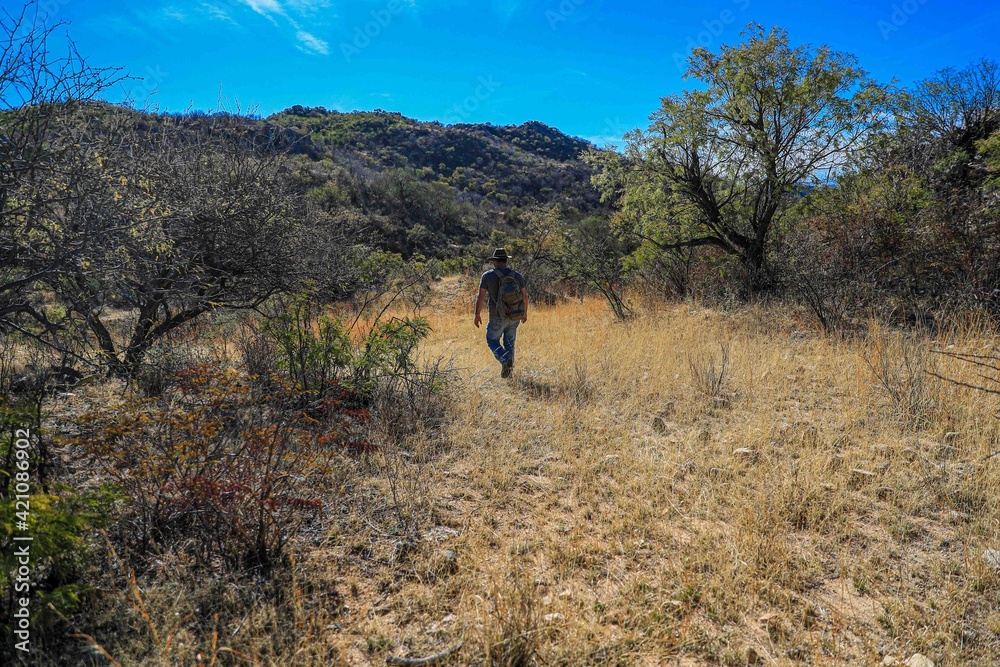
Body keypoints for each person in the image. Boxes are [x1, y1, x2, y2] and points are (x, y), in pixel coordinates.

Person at [474, 248, 528, 378]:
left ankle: (504, 361)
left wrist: (477, 314)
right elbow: (525, 297)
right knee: (510, 343)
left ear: (495, 261)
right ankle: (508, 373)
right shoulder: (517, 276)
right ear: (505, 261)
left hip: (497, 316)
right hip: (515, 315)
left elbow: (480, 298)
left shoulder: (487, 276)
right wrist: (524, 313)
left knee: (492, 339)